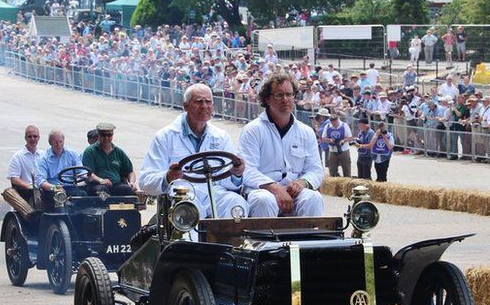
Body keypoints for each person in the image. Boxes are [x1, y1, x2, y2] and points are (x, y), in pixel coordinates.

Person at [139, 83, 248, 218]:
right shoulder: (165, 136)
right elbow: (145, 180)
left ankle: (230, 240)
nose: (204, 106)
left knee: (236, 202)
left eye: (208, 102)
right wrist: (168, 177)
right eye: (198, 102)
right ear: (185, 106)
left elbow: (228, 180)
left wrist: (236, 173)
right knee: (188, 208)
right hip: (182, 194)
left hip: (214, 192)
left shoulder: (221, 136)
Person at [238, 74, 324, 217]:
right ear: (267, 99)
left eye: (289, 94)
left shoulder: (306, 132)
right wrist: (275, 188)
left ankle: (310, 238)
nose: (285, 99)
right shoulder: (252, 130)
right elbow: (247, 171)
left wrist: (302, 183)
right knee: (264, 200)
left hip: (293, 191)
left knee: (313, 198)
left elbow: (315, 170)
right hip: (262, 190)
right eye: (279, 95)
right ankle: (261, 239)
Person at [82, 123, 138, 196]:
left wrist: (132, 182)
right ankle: (105, 205)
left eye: (109, 135)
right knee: (103, 195)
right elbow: (89, 174)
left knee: (127, 190)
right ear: (98, 135)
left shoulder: (118, 152)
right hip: (97, 186)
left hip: (116, 185)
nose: (106, 138)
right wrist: (101, 180)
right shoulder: (90, 151)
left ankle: (123, 206)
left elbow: (130, 171)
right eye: (103, 135)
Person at [36, 130, 86, 202]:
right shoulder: (43, 159)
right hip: (52, 189)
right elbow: (41, 181)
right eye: (55, 142)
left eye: (61, 142)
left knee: (83, 196)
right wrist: (55, 188)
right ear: (50, 143)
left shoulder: (72, 154)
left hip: (70, 186)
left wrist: (86, 176)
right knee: (59, 199)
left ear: (64, 141)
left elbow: (81, 171)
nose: (59, 145)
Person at [8, 125, 41, 200]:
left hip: (43, 190)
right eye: (29, 136)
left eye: (35, 136)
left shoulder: (43, 155)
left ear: (39, 138)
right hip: (27, 193)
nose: (32, 139)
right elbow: (14, 178)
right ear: (25, 138)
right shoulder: (18, 157)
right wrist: (28, 186)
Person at [322, 113, 352, 177]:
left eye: (335, 123)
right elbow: (323, 138)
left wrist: (343, 141)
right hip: (332, 150)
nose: (334, 125)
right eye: (333, 123)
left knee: (346, 169)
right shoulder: (327, 126)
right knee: (332, 170)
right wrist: (330, 140)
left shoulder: (344, 125)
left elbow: (350, 137)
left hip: (344, 150)